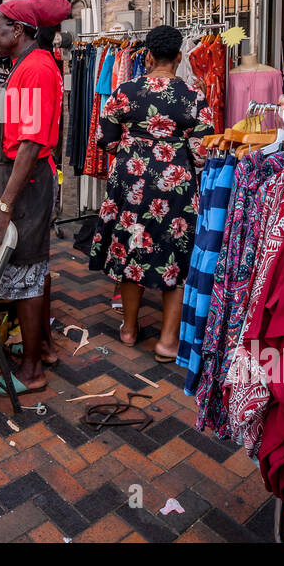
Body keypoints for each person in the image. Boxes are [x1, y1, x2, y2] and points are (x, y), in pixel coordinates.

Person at [89, 26, 209, 360]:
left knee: (131, 248)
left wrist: (133, 150)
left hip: (131, 181)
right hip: (176, 183)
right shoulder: (193, 94)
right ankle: (168, 342)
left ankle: (128, 328)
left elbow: (105, 138)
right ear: (179, 58)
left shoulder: (124, 90)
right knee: (175, 254)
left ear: (148, 56)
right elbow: (201, 151)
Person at [0, 0, 69, 393]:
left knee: (25, 272)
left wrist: (4, 204)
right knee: (35, 267)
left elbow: (31, 145)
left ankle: (32, 371)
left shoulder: (34, 68)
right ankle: (45, 347)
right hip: (28, 179)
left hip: (29, 181)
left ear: (17, 31)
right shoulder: (29, 64)